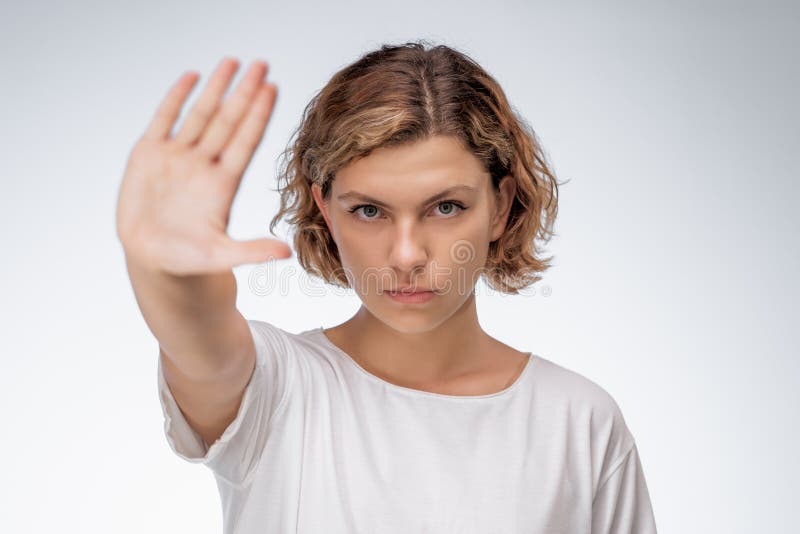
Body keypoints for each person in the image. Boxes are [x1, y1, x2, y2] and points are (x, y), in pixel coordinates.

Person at [116, 41, 658, 533]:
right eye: (370, 210)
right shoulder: (274, 390)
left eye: (446, 207)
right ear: (325, 209)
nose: (407, 256)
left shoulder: (579, 422)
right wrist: (167, 275)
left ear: (501, 206)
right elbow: (199, 338)